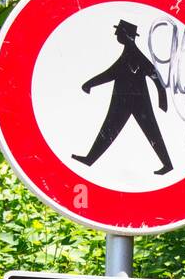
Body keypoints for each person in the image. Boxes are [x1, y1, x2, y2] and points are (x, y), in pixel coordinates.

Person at [72, 20, 172, 174]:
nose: (116, 35)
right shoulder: (128, 53)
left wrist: (162, 100)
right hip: (124, 100)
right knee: (109, 130)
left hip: (135, 101)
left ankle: (167, 165)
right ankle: (90, 159)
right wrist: (89, 84)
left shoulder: (134, 54)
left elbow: (153, 75)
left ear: (127, 35)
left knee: (150, 131)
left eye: (119, 32)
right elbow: (112, 73)